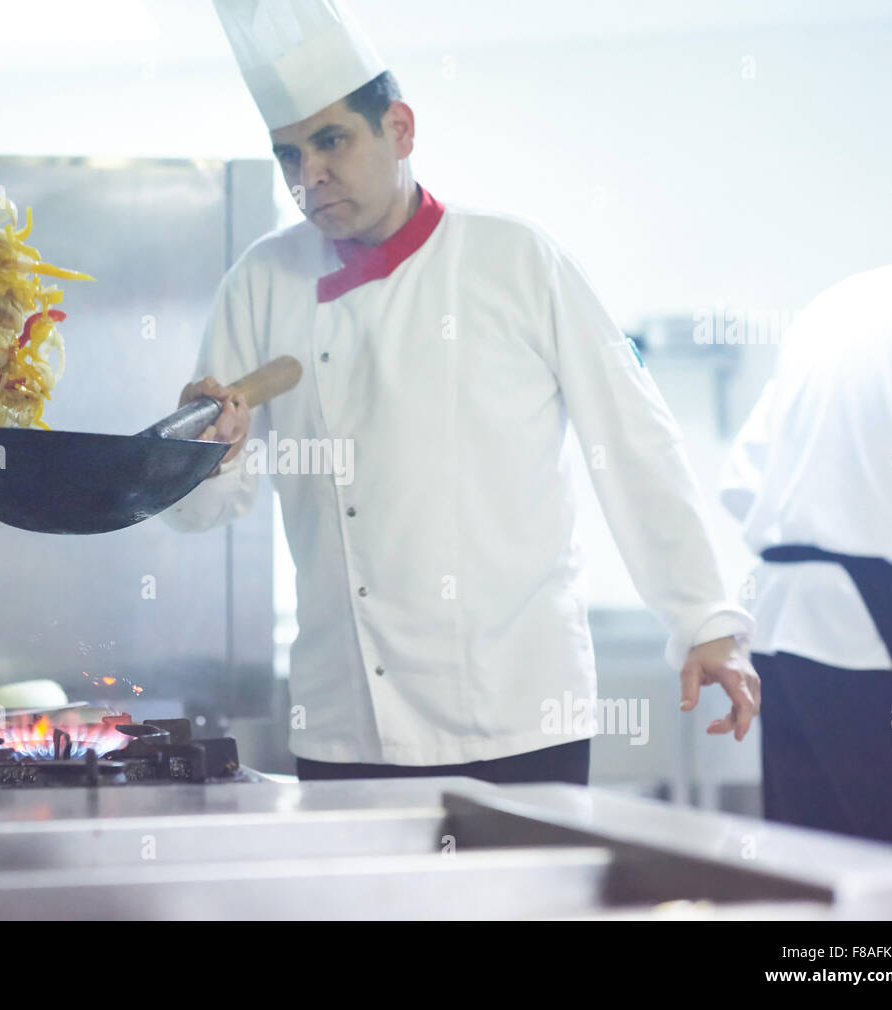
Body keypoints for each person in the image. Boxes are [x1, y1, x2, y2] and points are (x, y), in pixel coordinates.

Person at [162, 0, 760, 786]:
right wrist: (204, 457)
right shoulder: (259, 283)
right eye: (289, 155)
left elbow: (632, 438)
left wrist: (702, 619)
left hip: (519, 712)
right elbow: (202, 511)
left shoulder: (515, 257)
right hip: (345, 725)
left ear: (400, 130)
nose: (309, 174)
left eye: (331, 139)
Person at [720, 250, 892, 851]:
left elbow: (741, 481)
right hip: (882, 628)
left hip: (782, 628)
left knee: (818, 870)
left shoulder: (840, 301)